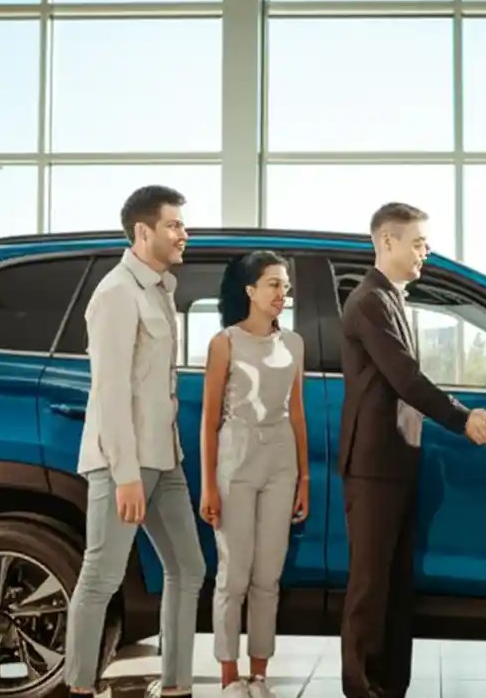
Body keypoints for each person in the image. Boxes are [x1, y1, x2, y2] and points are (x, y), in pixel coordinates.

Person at [337, 202, 486, 698]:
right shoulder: (369, 301)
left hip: (398, 459)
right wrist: (463, 417)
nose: (425, 251)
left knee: (394, 581)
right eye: (418, 242)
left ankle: (389, 685)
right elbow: (406, 378)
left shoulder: (393, 298)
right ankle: (362, 687)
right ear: (387, 242)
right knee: (369, 585)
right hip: (373, 464)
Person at [65, 185, 207, 698]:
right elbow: (109, 391)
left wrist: (164, 460)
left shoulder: (159, 289)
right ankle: (78, 688)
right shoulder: (116, 294)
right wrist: (124, 474)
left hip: (165, 458)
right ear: (143, 231)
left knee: (188, 568)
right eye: (174, 225)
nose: (183, 233)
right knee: (101, 578)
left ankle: (176, 687)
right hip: (121, 463)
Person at [198, 250, 309, 698]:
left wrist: (304, 479)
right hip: (235, 458)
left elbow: (297, 412)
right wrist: (208, 484)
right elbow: (208, 419)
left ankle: (259, 675)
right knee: (234, 574)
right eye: (274, 285)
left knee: (269, 575)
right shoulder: (224, 342)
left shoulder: (294, 344)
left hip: (281, 459)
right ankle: (229, 677)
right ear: (250, 290)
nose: (283, 294)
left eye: (285, 286)